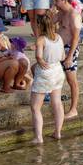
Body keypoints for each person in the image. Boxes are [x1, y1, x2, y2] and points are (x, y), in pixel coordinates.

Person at [29, 12, 66, 143]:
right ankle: (58, 132)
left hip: (45, 73)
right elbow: (62, 57)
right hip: (57, 71)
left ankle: (39, 137)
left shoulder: (41, 39)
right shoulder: (59, 37)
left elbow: (38, 56)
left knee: (35, 107)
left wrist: (40, 60)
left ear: (40, 26)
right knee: (56, 103)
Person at [54, 0, 82, 118]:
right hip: (59, 49)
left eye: (57, 1)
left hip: (70, 49)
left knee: (71, 80)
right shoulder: (61, 13)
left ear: (64, 0)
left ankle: (73, 109)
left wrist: (70, 56)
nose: (55, 3)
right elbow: (46, 22)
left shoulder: (74, 15)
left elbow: (76, 38)